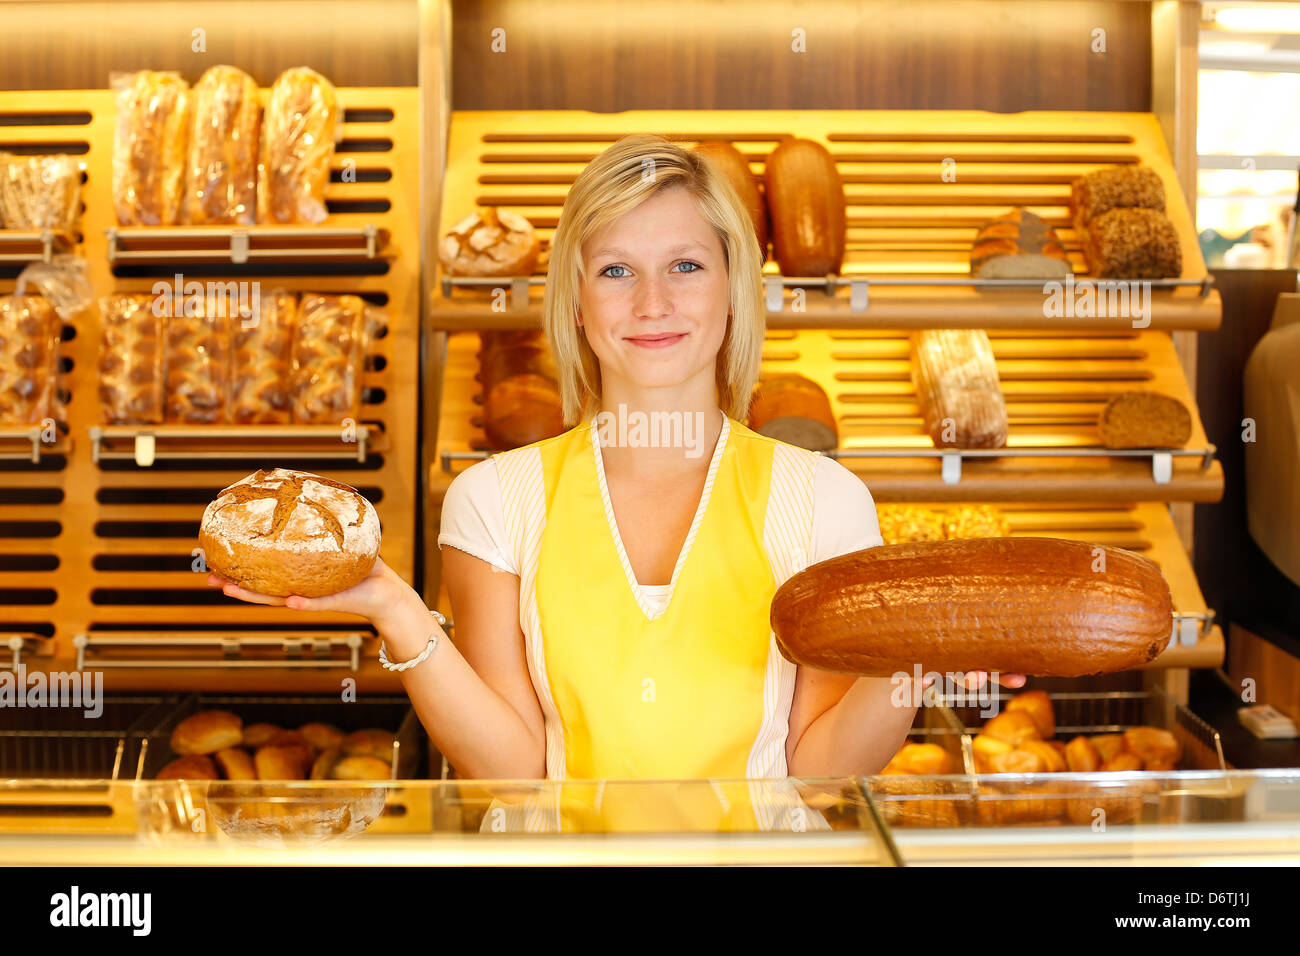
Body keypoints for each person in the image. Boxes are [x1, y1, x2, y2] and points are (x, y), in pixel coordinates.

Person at [209, 133, 1021, 831]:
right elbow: (513, 770)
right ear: (576, 300)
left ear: (733, 290)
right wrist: (396, 608)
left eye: (686, 265)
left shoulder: (823, 501)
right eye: (617, 272)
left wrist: (912, 668)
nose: (654, 302)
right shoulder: (497, 500)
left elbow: (819, 772)